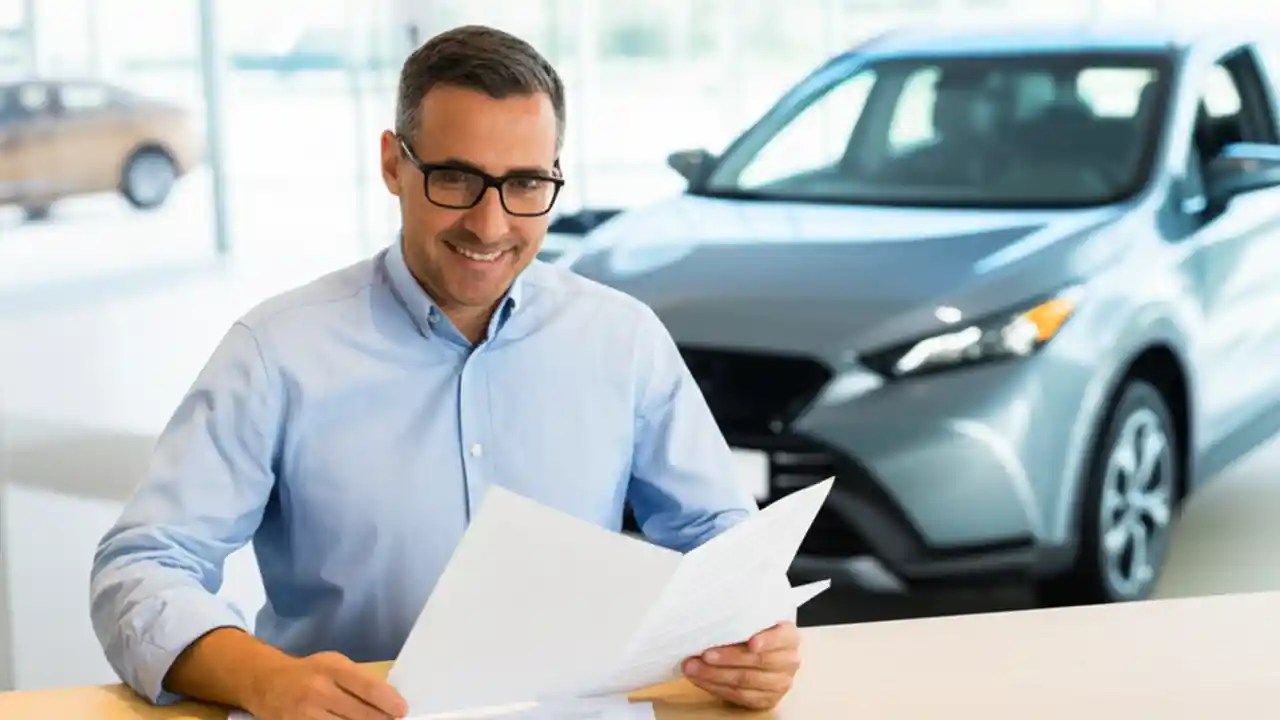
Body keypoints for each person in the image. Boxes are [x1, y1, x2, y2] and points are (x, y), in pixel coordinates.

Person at [89, 24, 802, 720]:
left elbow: (719, 531)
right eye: (456, 180)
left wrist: (756, 633)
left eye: (524, 183)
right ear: (394, 165)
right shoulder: (277, 352)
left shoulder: (622, 338)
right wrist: (263, 679)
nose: (490, 225)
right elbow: (144, 566)